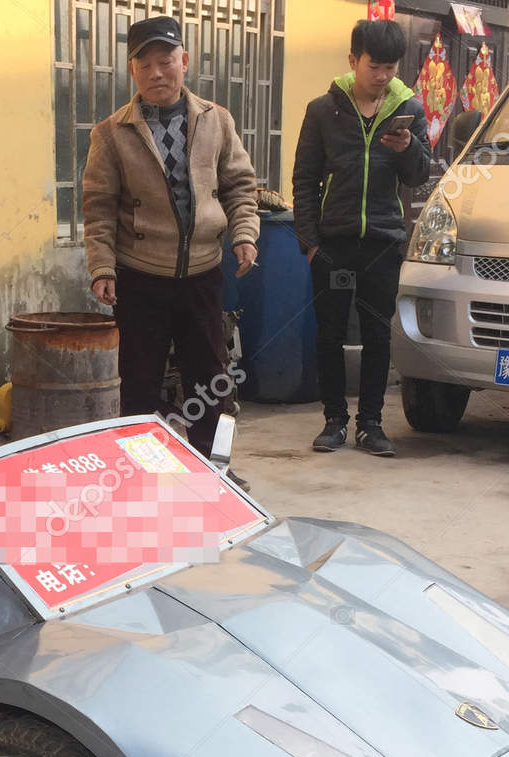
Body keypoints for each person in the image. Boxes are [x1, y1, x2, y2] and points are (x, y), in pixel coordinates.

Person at [82, 15, 259, 459]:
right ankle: (136, 469)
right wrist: (102, 266)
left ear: (185, 61)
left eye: (166, 62)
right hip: (140, 277)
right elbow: (99, 207)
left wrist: (244, 233)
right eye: (145, 66)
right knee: (138, 382)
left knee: (211, 381)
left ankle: (215, 467)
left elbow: (239, 185)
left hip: (202, 272)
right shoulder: (111, 133)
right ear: (132, 71)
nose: (156, 73)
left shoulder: (216, 120)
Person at [292, 19, 429, 456]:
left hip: (383, 241)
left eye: (391, 67)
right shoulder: (323, 110)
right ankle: (334, 420)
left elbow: (420, 175)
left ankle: (371, 424)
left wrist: (407, 147)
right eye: (375, 66)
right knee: (329, 333)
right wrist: (310, 243)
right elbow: (305, 179)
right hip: (333, 243)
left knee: (378, 335)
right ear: (353, 61)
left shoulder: (409, 109)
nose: (384, 76)